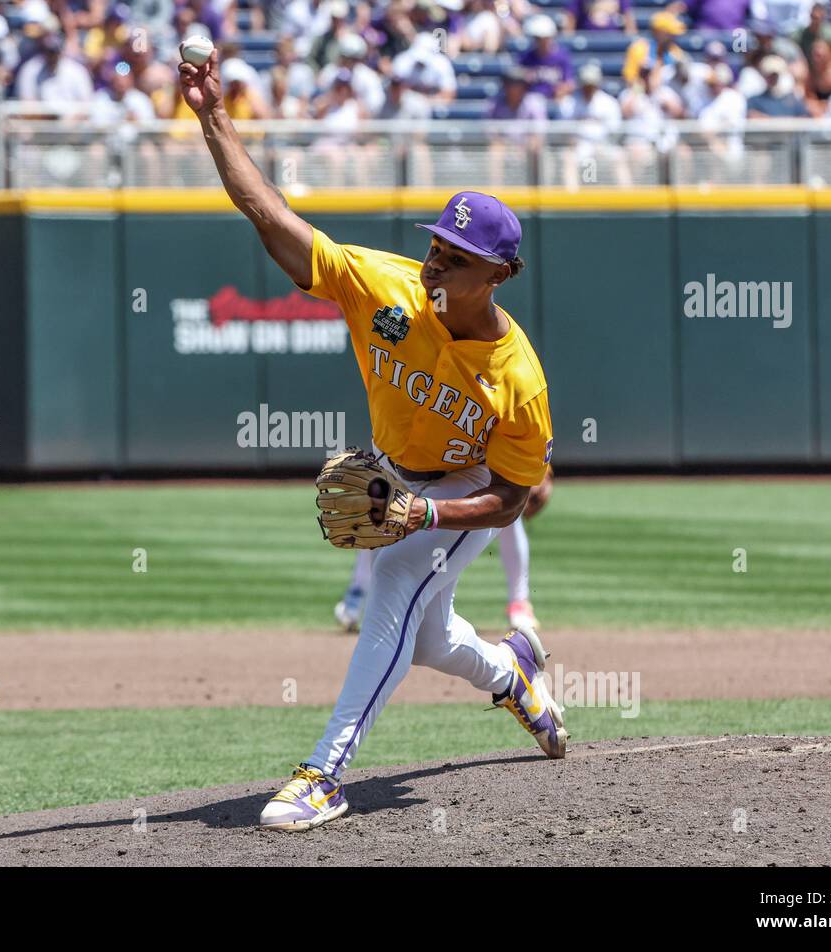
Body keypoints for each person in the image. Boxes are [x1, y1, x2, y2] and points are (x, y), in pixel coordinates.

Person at [178, 46, 567, 833]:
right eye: (433, 245)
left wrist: (426, 517)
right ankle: (514, 673)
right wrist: (214, 118)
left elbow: (512, 498)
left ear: (498, 275)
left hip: (458, 494)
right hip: (395, 472)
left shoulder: (518, 377)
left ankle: (324, 774)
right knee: (425, 640)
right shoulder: (385, 287)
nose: (434, 264)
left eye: (455, 260)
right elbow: (271, 216)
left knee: (392, 587)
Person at [336, 464, 554, 633]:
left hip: (475, 454)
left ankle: (519, 602)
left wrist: (538, 466)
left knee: (505, 509)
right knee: (385, 508)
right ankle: (357, 593)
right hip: (419, 448)